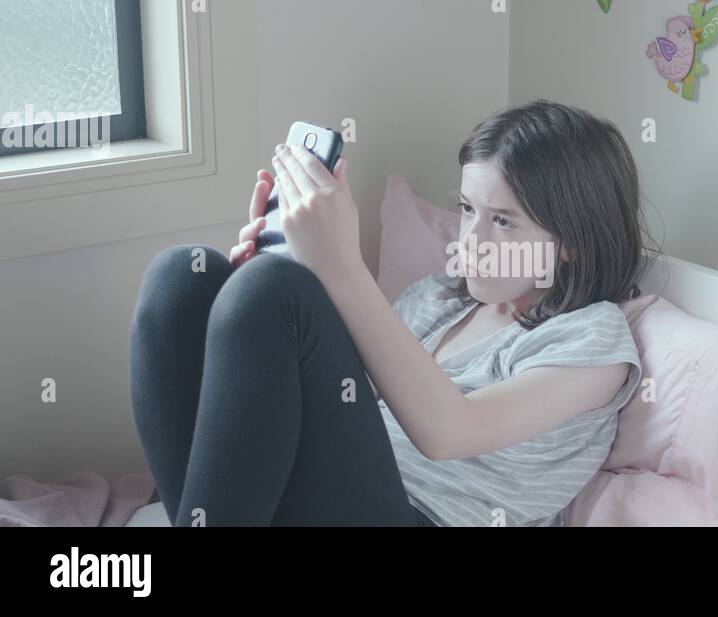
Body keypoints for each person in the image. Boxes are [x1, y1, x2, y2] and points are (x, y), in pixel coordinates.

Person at [129, 99, 659, 527]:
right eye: (468, 209)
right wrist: (250, 303)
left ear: (569, 242)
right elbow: (330, 395)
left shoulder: (590, 339)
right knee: (183, 277)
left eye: (503, 221)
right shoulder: (438, 299)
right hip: (327, 495)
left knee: (271, 289)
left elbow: (451, 431)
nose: (469, 239)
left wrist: (334, 270)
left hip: (422, 516)